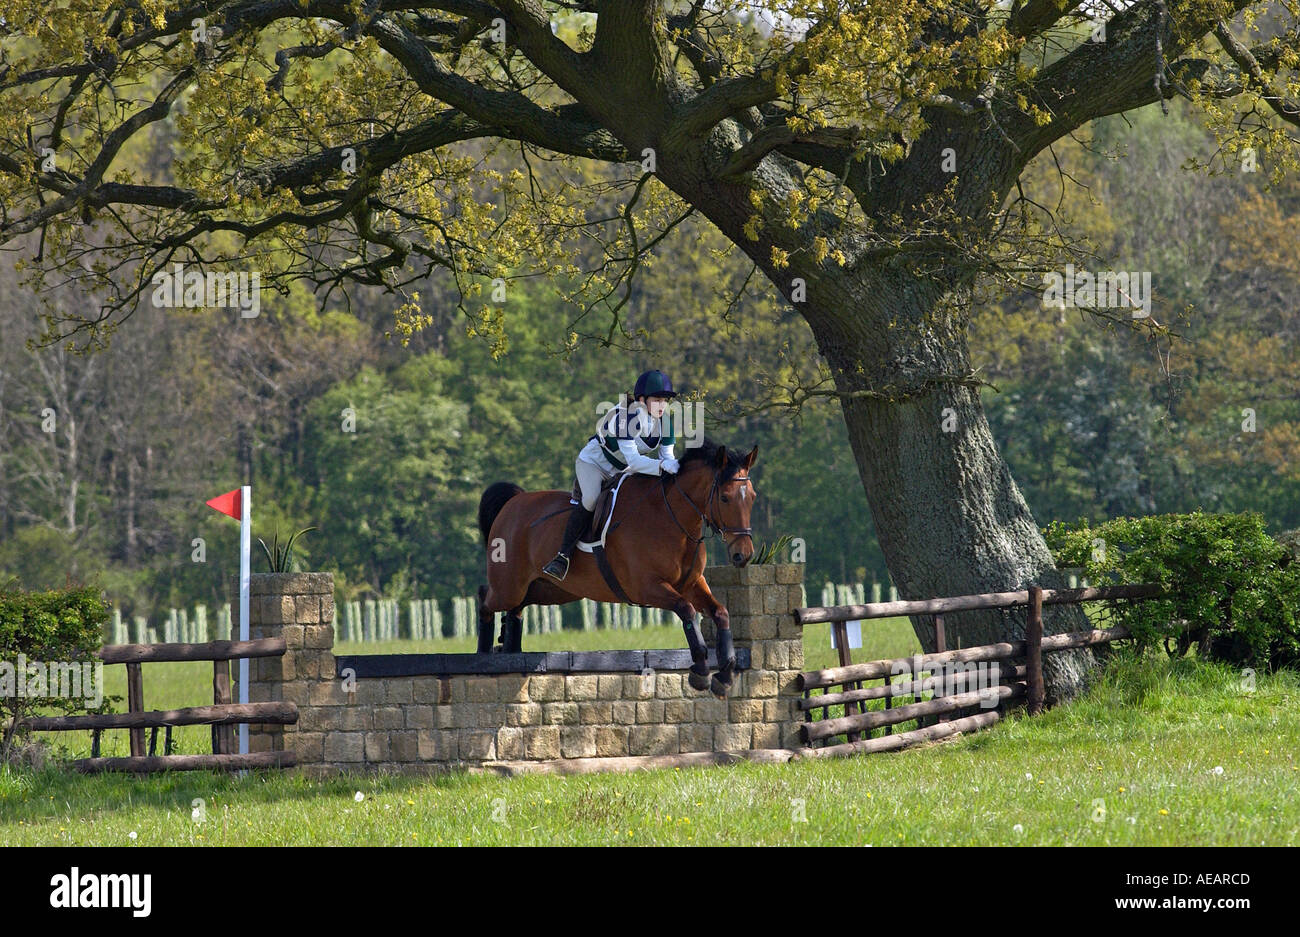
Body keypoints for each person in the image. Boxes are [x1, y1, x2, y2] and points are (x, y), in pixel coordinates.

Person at [541, 369, 681, 580]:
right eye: (657, 400)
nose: (662, 406)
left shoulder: (666, 424)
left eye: (665, 401)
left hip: (621, 471)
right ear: (642, 400)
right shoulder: (626, 416)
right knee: (591, 498)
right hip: (594, 464)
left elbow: (668, 459)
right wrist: (663, 466)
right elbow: (635, 461)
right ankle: (563, 556)